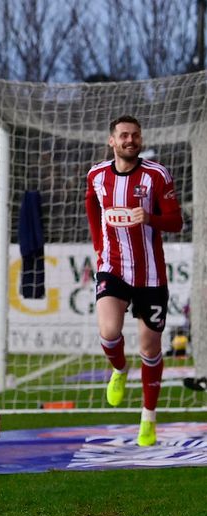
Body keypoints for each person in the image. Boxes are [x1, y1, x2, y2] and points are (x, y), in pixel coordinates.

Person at [85, 115, 183, 445]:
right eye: (124, 135)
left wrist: (150, 217)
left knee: (150, 348)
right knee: (109, 332)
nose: (130, 140)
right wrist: (99, 246)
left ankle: (148, 418)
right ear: (112, 141)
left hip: (151, 275)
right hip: (112, 267)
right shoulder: (97, 175)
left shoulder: (157, 174)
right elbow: (91, 205)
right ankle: (119, 369)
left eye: (135, 135)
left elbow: (176, 221)